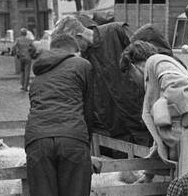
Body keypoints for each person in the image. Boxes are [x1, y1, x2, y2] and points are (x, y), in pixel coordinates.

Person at [24, 32, 95, 196]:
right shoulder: (82, 65)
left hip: (37, 142)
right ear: (74, 50)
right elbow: (90, 109)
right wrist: (86, 147)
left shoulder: (38, 74)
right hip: (73, 139)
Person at [53, 15, 148, 144]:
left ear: (79, 37)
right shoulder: (83, 61)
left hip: (142, 121)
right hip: (116, 131)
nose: (74, 52)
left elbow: (147, 61)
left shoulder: (116, 32)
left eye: (73, 46)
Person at [120, 39, 188, 176]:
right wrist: (149, 173)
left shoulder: (157, 63)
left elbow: (179, 87)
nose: (133, 81)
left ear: (133, 66)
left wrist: (172, 130)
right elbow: (159, 139)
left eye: (130, 76)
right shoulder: (159, 71)